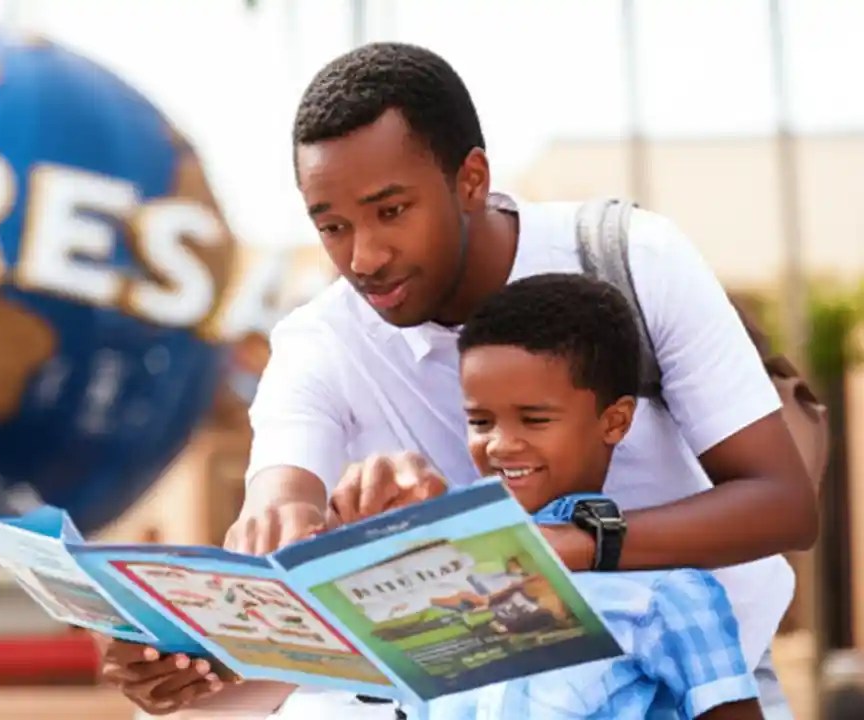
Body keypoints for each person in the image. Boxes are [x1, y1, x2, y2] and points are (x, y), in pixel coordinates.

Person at [100, 42, 816, 718]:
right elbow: (280, 502)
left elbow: (783, 504)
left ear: (470, 179)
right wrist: (195, 648)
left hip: (694, 687)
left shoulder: (632, 259)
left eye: (390, 212)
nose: (364, 256)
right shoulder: (319, 342)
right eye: (332, 227)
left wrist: (562, 545)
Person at [421, 272, 762, 719]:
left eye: (535, 420)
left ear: (615, 421)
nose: (499, 445)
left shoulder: (665, 595)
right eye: (481, 421)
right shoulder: (447, 581)